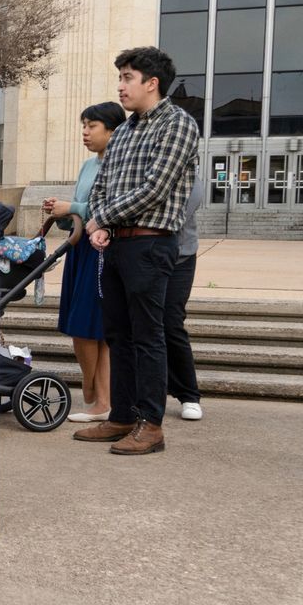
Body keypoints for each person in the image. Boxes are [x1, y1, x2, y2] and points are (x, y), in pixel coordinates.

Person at [75, 47, 200, 455]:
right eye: (120, 78)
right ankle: (123, 417)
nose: (120, 86)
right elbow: (103, 184)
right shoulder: (125, 131)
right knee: (118, 333)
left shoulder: (178, 124)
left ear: (152, 83)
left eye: (128, 77)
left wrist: (101, 218)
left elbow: (155, 188)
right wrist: (101, 223)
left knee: (148, 335)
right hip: (116, 244)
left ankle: (151, 424)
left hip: (151, 243)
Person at [42, 102, 126, 423]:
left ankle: (95, 397)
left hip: (102, 250)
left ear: (112, 131)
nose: (85, 132)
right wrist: (62, 211)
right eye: (84, 126)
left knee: (87, 327)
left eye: (92, 126)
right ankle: (100, 400)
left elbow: (112, 206)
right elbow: (83, 208)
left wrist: (72, 206)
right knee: (90, 330)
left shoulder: (120, 165)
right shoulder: (88, 165)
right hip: (81, 247)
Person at [167, 167, 205, 421]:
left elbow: (175, 217)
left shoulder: (192, 179)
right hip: (143, 257)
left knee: (171, 323)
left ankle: (188, 394)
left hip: (180, 258)